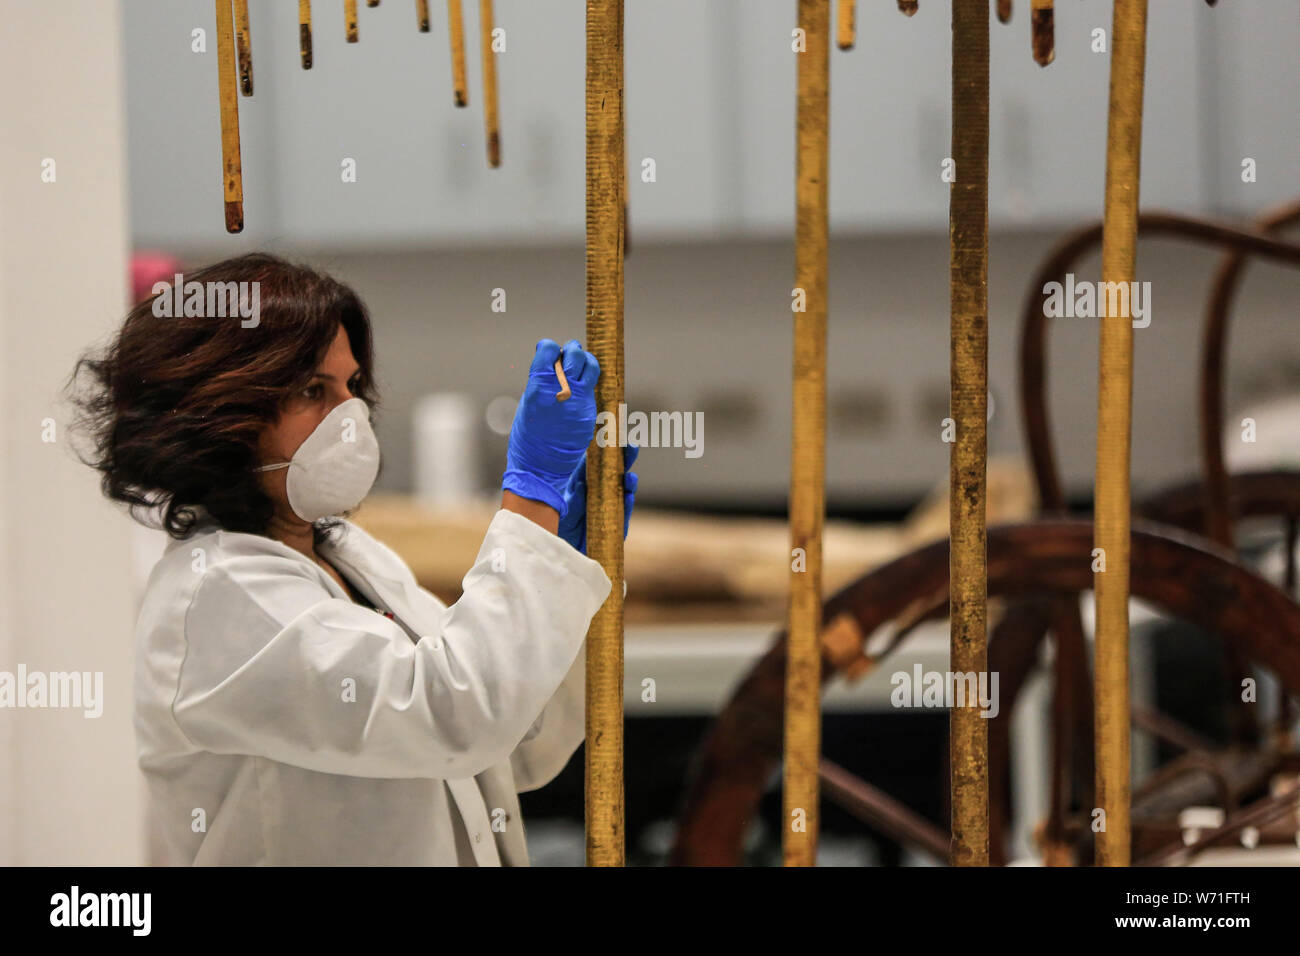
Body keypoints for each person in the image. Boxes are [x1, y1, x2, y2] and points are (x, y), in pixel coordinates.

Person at [70, 252, 637, 866]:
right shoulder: (219, 597)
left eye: (352, 387)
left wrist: (564, 563)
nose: (351, 417)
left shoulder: (348, 557)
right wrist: (530, 503)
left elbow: (513, 743)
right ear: (219, 415)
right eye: (314, 391)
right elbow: (455, 713)